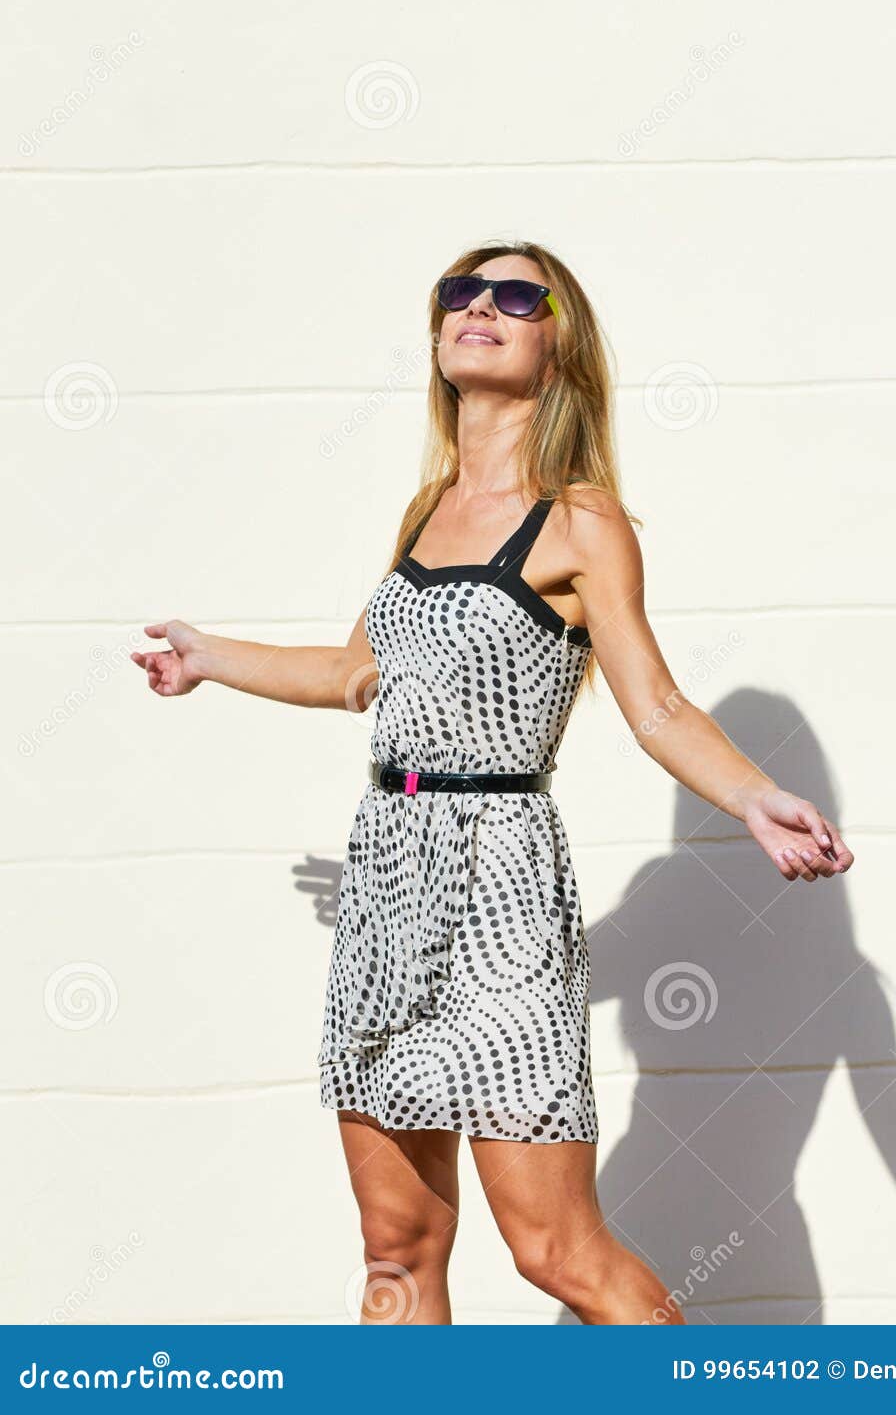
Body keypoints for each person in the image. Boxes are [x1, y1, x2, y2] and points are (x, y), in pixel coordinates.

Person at [132, 240, 854, 1325]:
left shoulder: (580, 518)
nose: (482, 306)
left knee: (556, 1251)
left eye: (518, 295)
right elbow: (352, 673)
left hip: (503, 878)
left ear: (559, 343)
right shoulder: (425, 508)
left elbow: (653, 704)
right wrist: (207, 656)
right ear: (436, 334)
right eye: (460, 292)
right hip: (388, 874)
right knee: (396, 1248)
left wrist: (752, 795)